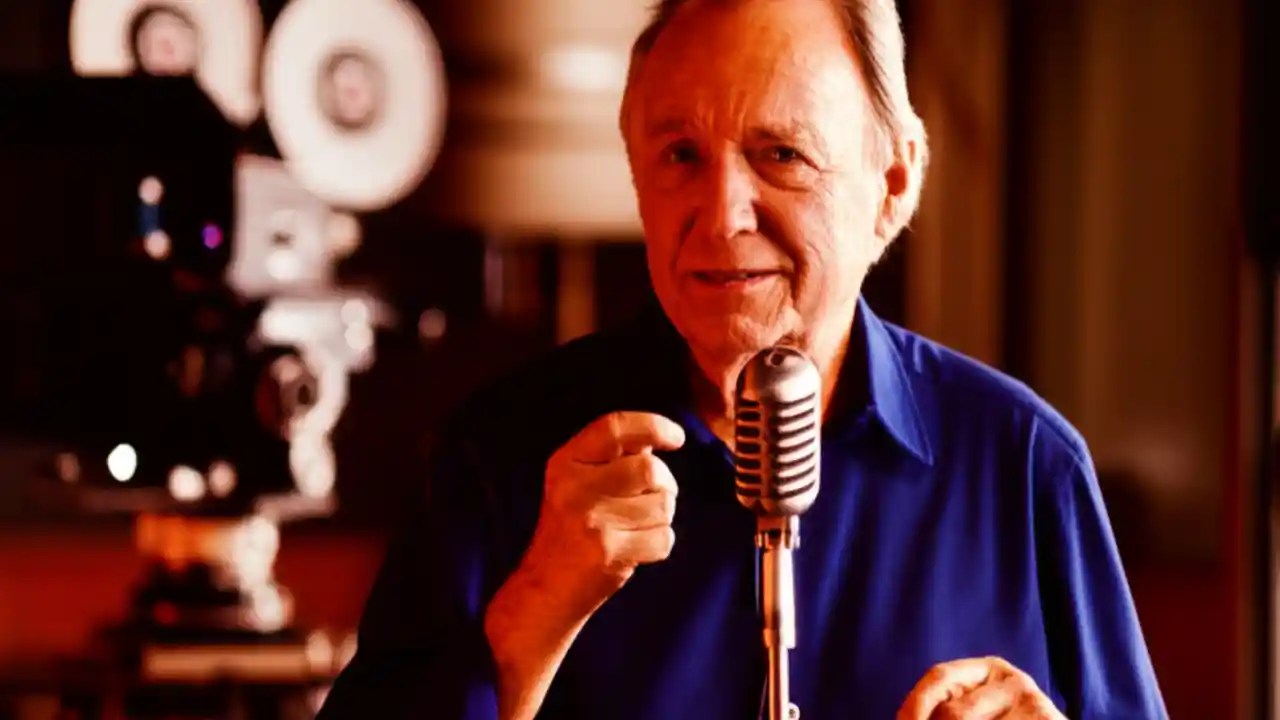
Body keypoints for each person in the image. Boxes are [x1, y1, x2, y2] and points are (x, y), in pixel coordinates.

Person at [317, 0, 1167, 717]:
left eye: (782, 155)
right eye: (681, 156)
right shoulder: (499, 454)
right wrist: (533, 609)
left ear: (893, 183)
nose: (722, 216)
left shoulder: (1021, 464)